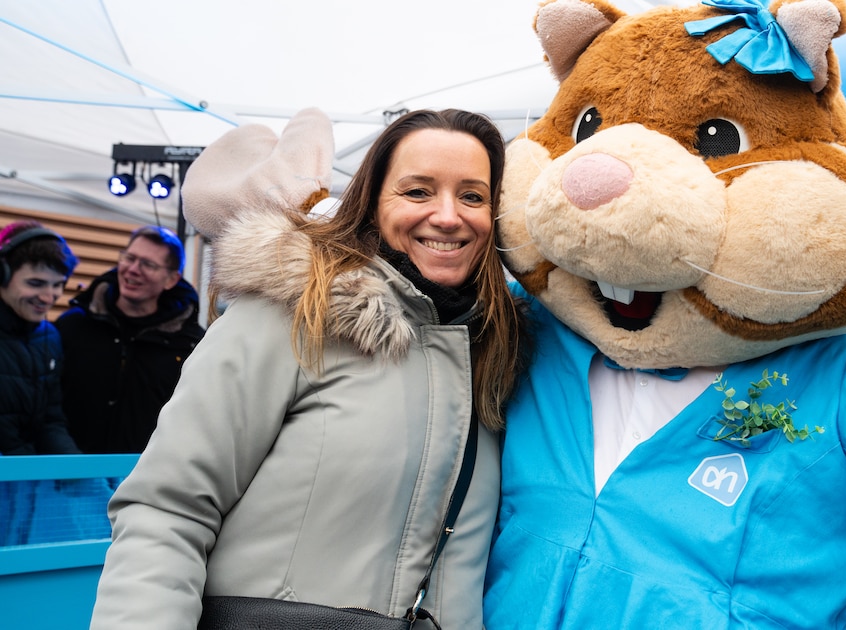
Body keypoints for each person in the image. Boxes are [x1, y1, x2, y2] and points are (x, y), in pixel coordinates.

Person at [90, 108, 530, 629]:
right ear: (371, 203)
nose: (448, 215)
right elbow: (168, 511)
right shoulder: (288, 317)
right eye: (417, 191)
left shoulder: (495, 354)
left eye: (473, 196)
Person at [55, 225, 205, 454]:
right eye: (129, 258)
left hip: (148, 481)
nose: (133, 269)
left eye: (148, 264)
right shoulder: (73, 325)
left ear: (171, 280)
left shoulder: (191, 346)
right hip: (71, 477)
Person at [0, 221, 81, 456]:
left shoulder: (49, 337)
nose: (49, 297)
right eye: (36, 283)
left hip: (23, 482)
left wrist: (79, 473)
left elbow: (50, 422)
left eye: (58, 285)